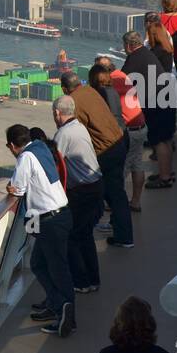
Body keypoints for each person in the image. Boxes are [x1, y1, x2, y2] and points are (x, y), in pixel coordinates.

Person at [4, 123, 75, 336]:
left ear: (12, 145)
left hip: (50, 221)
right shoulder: (40, 147)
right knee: (38, 263)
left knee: (58, 269)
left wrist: (10, 187)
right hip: (60, 214)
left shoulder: (25, 157)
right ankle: (56, 304)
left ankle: (66, 313)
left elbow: (17, 189)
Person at [62, 72, 132, 248]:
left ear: (64, 89)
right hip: (119, 142)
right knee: (116, 192)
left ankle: (89, 230)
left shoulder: (73, 102)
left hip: (105, 150)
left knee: (98, 193)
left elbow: (72, 130)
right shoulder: (91, 91)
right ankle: (121, 232)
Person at [53, 94, 103, 293]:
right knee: (85, 235)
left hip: (82, 191)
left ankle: (81, 281)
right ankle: (93, 279)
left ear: (57, 113)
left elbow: (54, 164)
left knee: (72, 237)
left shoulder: (63, 134)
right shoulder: (79, 127)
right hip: (95, 185)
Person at [122, 31, 174, 189]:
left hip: (156, 103)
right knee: (166, 139)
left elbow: (122, 78)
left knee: (158, 141)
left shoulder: (134, 59)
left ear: (129, 46)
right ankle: (167, 172)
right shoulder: (146, 53)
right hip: (166, 98)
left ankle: (164, 178)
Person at [94, 56, 147, 211]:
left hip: (128, 130)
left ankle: (115, 204)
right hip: (140, 126)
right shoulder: (122, 75)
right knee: (137, 164)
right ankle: (135, 201)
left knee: (119, 170)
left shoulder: (111, 84)